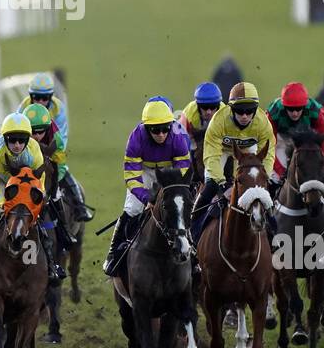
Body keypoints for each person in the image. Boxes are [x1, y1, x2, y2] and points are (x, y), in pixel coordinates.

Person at [0, 112, 65, 282]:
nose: (17, 145)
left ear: (28, 140)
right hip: (1, 183)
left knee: (35, 220)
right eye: (12, 140)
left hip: (26, 186)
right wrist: (2, 204)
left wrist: (36, 203)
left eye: (21, 140)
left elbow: (39, 182)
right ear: (4, 138)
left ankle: (51, 266)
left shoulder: (34, 150)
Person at [103, 99, 193, 277]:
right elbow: (132, 175)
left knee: (180, 208)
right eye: (155, 130)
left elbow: (183, 169)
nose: (161, 134)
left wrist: (166, 192)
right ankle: (113, 255)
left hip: (170, 173)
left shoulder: (179, 136)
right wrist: (147, 199)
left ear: (171, 124)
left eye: (165, 128)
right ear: (146, 128)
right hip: (144, 171)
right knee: (132, 208)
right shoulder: (136, 137)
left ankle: (194, 252)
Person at [189, 81, 276, 243]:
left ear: (255, 110)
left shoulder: (263, 123)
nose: (244, 116)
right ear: (230, 108)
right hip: (221, 150)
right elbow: (211, 156)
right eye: (239, 111)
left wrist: (266, 176)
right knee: (210, 186)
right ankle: (193, 229)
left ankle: (274, 234)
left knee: (259, 187)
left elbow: (269, 153)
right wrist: (222, 185)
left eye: (249, 111)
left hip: (247, 151)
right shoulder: (219, 120)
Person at [265, 82, 324, 211]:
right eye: (290, 109)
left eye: (299, 109)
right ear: (284, 106)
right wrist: (280, 172)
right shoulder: (273, 112)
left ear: (305, 106)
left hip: (307, 141)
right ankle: (267, 211)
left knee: (323, 177)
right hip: (281, 141)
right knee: (273, 177)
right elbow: (268, 146)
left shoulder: (315, 110)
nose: (295, 113)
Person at [23, 102, 80, 254]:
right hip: (27, 173)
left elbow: (60, 165)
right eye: (32, 132)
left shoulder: (57, 138)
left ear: (47, 129)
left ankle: (65, 232)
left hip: (50, 170)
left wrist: (54, 181)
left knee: (56, 195)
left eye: (40, 132)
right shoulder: (20, 136)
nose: (36, 136)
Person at [178, 81, 224, 172]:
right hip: (194, 139)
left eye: (213, 107)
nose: (209, 112)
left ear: (218, 106)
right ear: (198, 106)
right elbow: (180, 140)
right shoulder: (188, 114)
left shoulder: (225, 113)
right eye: (205, 107)